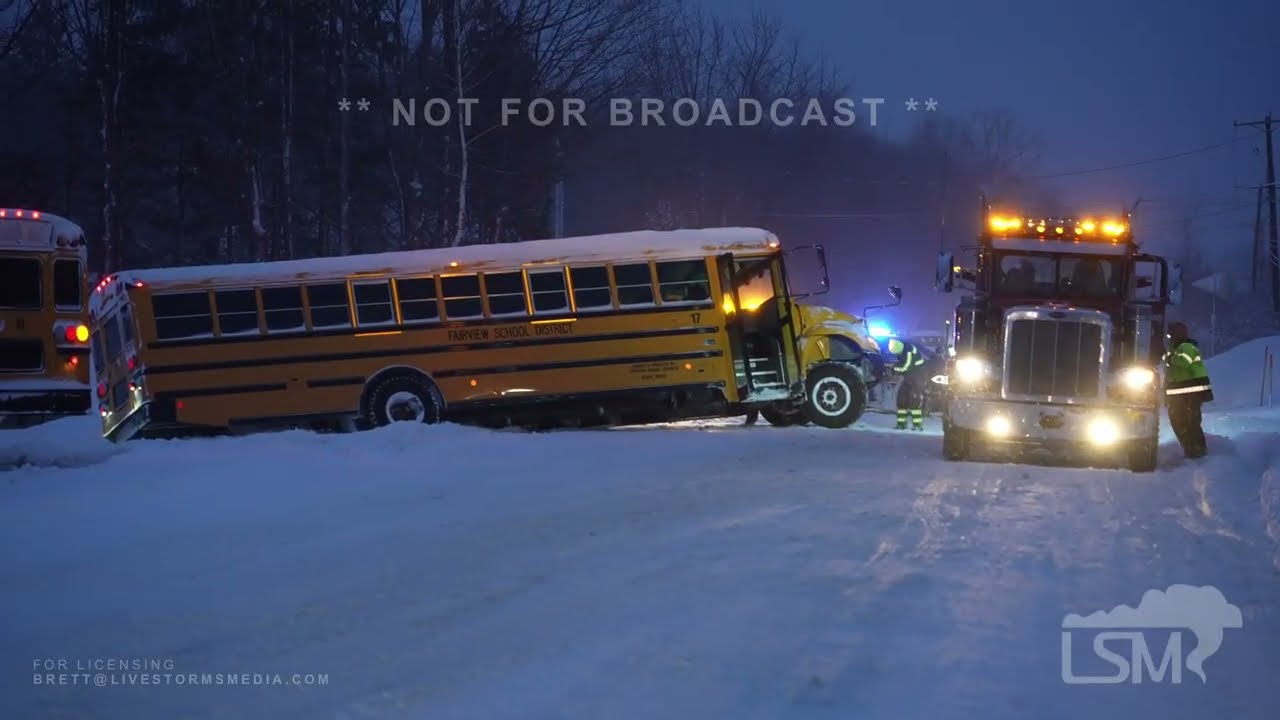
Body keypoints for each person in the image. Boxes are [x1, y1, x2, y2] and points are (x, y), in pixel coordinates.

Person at [1163, 321, 1213, 458]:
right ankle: (1191, 449)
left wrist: (1169, 358)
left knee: (1191, 422)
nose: (1170, 337)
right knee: (1179, 421)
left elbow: (1183, 362)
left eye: (1172, 333)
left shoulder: (1187, 347)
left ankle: (1198, 451)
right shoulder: (1176, 348)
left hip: (1192, 394)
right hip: (1180, 394)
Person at [886, 337, 928, 430]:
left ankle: (917, 425)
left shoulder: (908, 351)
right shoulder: (903, 349)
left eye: (897, 353)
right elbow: (902, 363)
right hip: (908, 378)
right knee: (902, 400)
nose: (897, 355)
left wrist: (894, 369)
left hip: (917, 378)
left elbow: (906, 366)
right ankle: (901, 423)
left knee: (914, 401)